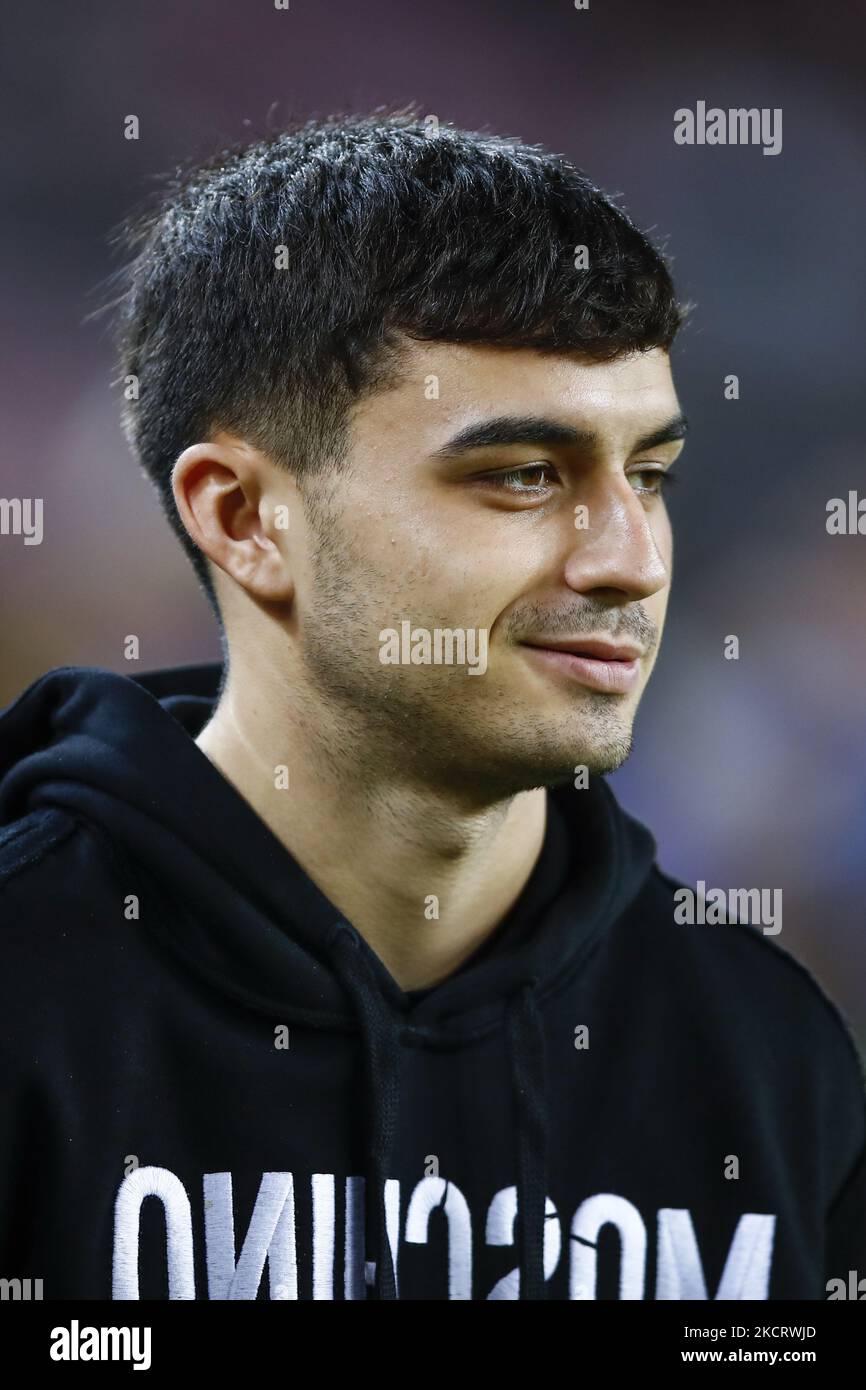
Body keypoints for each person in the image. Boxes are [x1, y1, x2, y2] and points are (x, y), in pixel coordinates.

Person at [0, 112, 863, 1301]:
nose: (629, 559)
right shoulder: (33, 994)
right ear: (246, 519)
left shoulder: (765, 1053)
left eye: (648, 476)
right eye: (519, 475)